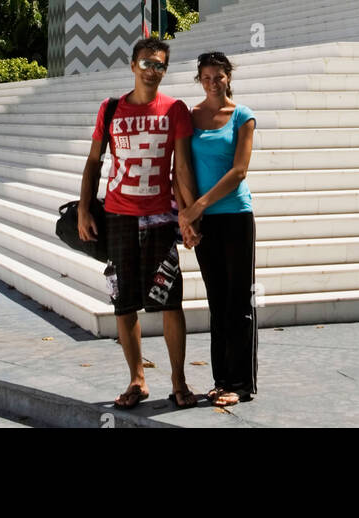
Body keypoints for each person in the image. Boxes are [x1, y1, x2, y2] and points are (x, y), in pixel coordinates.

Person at [77, 36, 200, 410]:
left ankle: (179, 380)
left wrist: (190, 214)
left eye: (160, 64)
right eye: (146, 63)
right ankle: (137, 379)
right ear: (133, 66)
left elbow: (181, 167)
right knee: (123, 303)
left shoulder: (175, 109)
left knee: (170, 301)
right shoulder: (111, 108)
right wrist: (84, 208)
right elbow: (94, 162)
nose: (152, 70)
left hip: (161, 219)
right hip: (118, 217)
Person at [177, 53, 257, 406]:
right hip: (203, 219)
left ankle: (241, 384)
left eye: (218, 76)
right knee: (216, 301)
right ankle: (221, 378)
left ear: (228, 77)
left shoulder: (242, 116)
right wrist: (189, 215)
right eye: (205, 77)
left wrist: (199, 206)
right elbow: (183, 167)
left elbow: (239, 171)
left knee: (238, 300)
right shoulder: (191, 117)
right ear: (199, 79)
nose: (212, 82)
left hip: (235, 216)